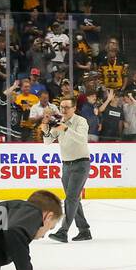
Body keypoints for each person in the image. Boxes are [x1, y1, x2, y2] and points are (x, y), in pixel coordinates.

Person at [42, 96, 92, 242]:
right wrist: (46, 128)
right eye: (61, 107)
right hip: (66, 166)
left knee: (70, 199)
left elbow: (82, 139)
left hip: (81, 164)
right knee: (74, 199)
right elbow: (47, 141)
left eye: (66, 107)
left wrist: (65, 128)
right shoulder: (60, 122)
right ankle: (84, 231)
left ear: (74, 108)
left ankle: (63, 232)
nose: (63, 110)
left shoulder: (80, 121)